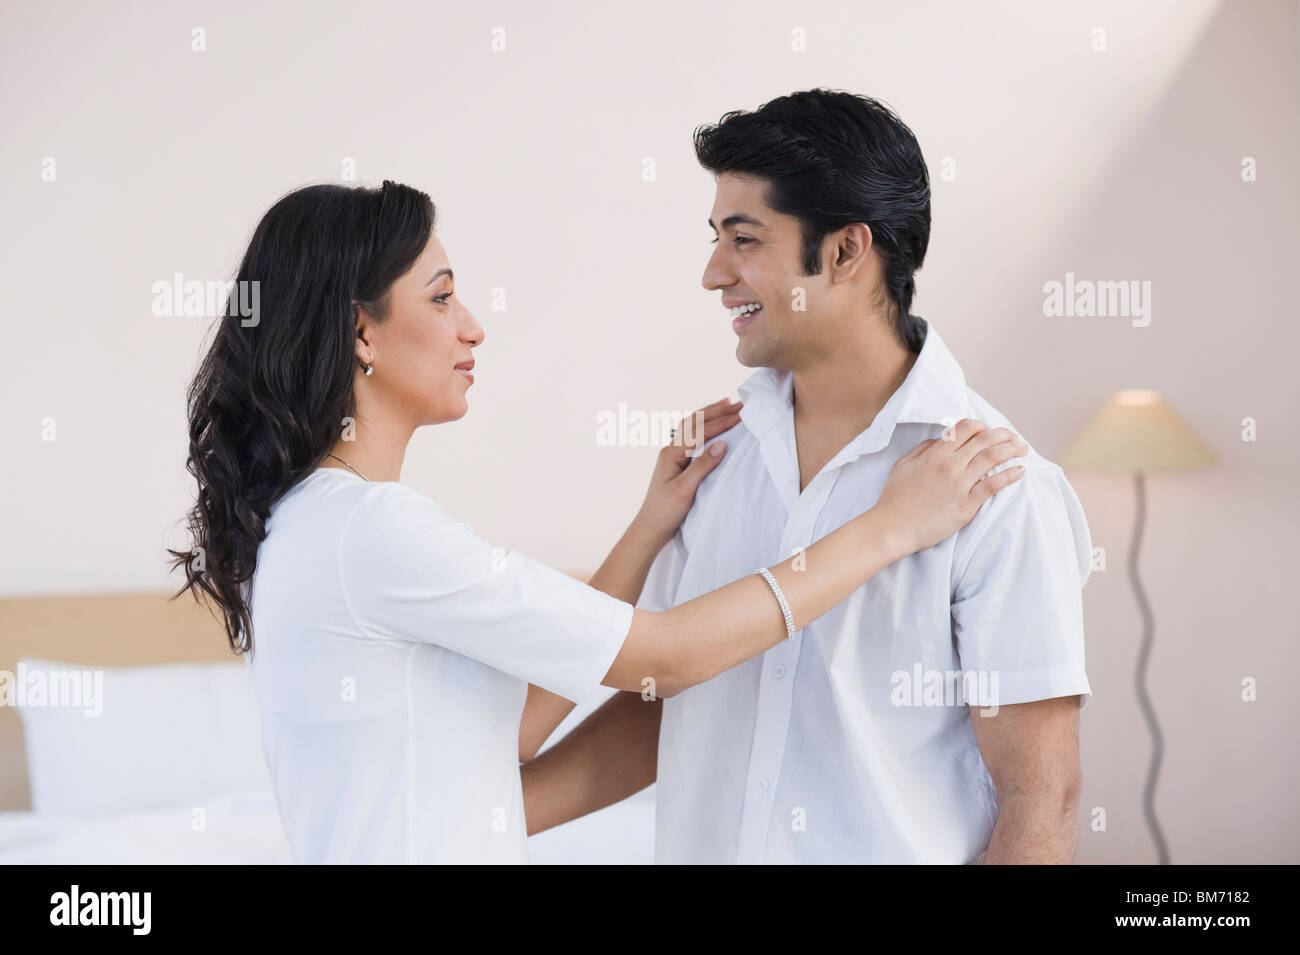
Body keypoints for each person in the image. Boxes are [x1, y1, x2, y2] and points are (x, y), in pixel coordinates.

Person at [169, 178, 1027, 864]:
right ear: (362, 330)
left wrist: (648, 526)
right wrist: (888, 527)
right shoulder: (375, 533)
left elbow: (510, 730)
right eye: (439, 298)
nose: (472, 325)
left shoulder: (324, 527)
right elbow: (666, 656)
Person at [521, 90, 1094, 865]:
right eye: (717, 237)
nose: (713, 273)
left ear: (847, 251)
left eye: (744, 238)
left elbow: (1039, 802)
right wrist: (473, 818)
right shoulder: (713, 463)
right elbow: (673, 694)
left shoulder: (996, 484)